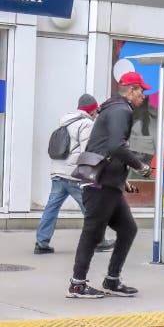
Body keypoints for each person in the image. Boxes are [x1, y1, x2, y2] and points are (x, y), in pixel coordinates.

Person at [67, 72, 152, 299]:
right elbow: (116, 146)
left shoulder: (114, 108)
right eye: (142, 91)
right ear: (132, 89)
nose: (144, 96)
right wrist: (141, 166)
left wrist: (122, 180)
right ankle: (77, 284)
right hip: (100, 184)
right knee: (92, 233)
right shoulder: (121, 110)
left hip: (109, 183)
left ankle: (112, 279)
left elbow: (109, 146)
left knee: (127, 229)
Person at [34, 95, 116, 254]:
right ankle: (99, 241)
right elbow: (89, 149)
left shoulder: (66, 121)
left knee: (51, 208)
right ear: (92, 110)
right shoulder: (86, 124)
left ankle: (41, 243)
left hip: (58, 173)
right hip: (74, 176)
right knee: (91, 209)